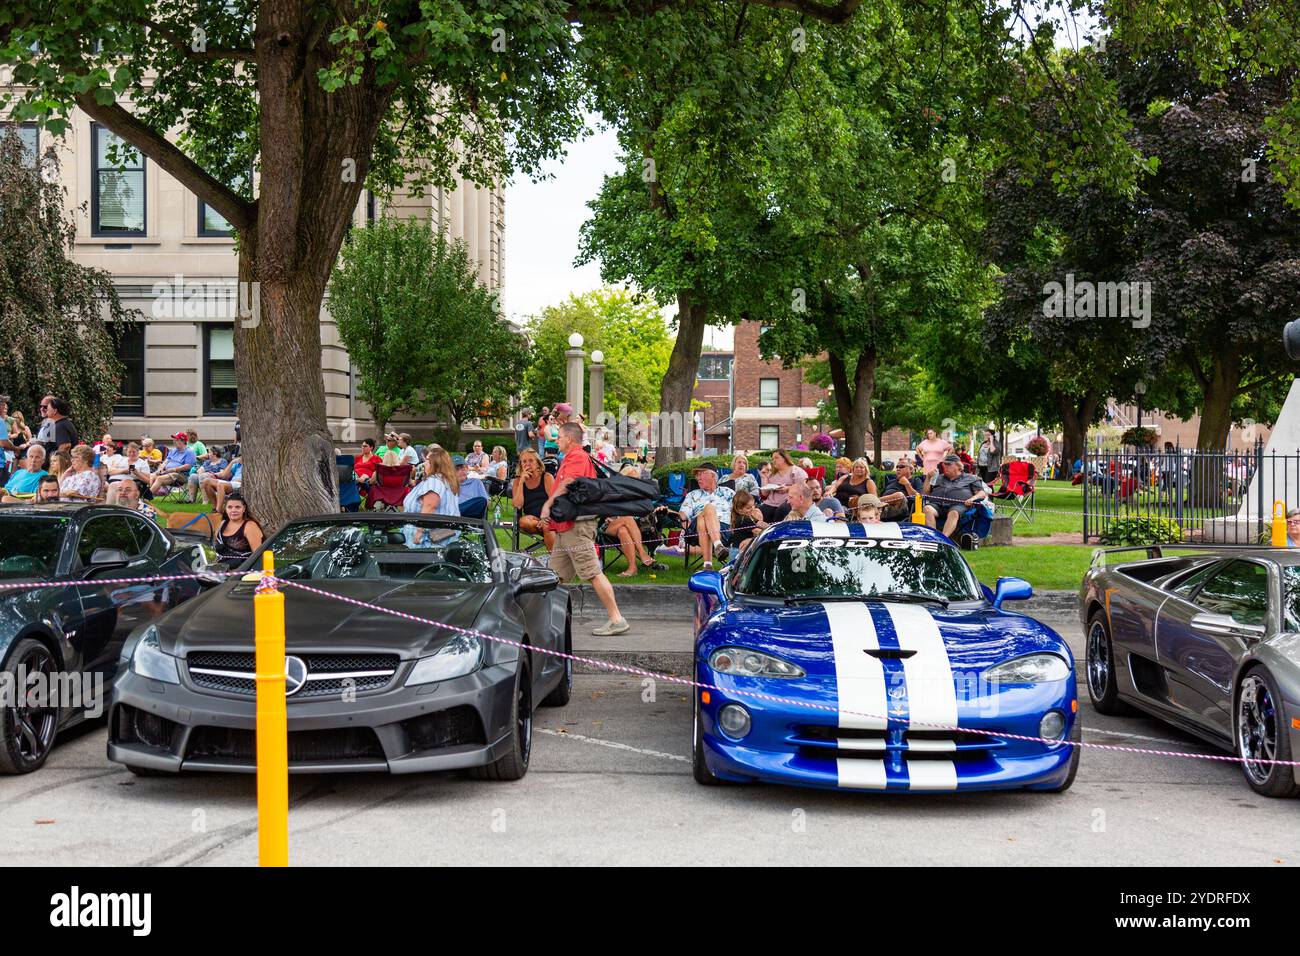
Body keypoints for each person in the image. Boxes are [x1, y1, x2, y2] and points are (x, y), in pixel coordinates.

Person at [539, 421, 628, 637]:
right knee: (555, 576)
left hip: (576, 527)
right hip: (567, 527)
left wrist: (547, 505)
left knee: (592, 572)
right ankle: (543, 621)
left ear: (569, 439)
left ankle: (616, 619)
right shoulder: (572, 457)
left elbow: (570, 481)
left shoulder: (578, 456)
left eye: (559, 437)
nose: (556, 440)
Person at [607, 466, 670, 577]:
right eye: (632, 479)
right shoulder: (614, 492)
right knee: (627, 519)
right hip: (609, 525)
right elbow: (603, 508)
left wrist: (658, 509)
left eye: (637, 479)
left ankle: (632, 568)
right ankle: (642, 553)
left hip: (632, 530)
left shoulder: (640, 495)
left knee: (623, 531)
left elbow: (650, 509)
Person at [678, 463, 734, 570]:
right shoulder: (692, 495)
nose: (698, 478)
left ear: (713, 476)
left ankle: (707, 565)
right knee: (708, 508)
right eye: (697, 475)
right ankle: (718, 545)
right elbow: (683, 515)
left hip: (724, 529)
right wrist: (673, 513)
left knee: (704, 520)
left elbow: (741, 510)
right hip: (696, 530)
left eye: (701, 474)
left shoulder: (728, 493)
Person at [924, 453, 989, 544]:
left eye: (948, 464)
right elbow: (926, 493)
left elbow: (982, 493)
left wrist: (973, 498)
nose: (945, 466)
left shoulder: (971, 478)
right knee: (927, 509)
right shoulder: (938, 478)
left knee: (954, 513)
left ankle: (942, 540)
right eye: (944, 464)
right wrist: (928, 478)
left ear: (958, 466)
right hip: (937, 505)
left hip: (959, 505)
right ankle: (933, 538)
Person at [513, 448, 556, 551]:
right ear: (521, 465)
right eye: (524, 461)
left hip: (550, 515)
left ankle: (556, 562)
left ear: (538, 463)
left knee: (546, 525)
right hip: (533, 520)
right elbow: (518, 505)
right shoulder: (517, 481)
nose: (527, 464)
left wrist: (545, 517)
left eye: (531, 461)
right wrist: (521, 482)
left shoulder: (547, 477)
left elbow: (554, 501)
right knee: (523, 522)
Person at [405, 447, 460, 516]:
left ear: (435, 463)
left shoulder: (434, 482)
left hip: (427, 526)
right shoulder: (446, 480)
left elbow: (427, 515)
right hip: (445, 525)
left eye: (427, 460)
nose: (424, 464)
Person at [757, 449, 807, 522]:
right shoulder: (772, 474)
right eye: (772, 459)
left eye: (776, 458)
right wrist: (763, 477)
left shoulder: (796, 471)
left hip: (788, 501)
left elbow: (803, 487)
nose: (773, 460)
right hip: (771, 503)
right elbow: (765, 494)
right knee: (760, 511)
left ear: (784, 458)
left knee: (781, 510)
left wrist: (788, 488)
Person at [215, 493, 264, 566]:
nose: (233, 510)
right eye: (230, 507)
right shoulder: (222, 524)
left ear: (244, 509)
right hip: (222, 566)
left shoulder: (250, 526)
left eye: (237, 507)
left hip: (243, 568)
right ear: (226, 509)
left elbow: (258, 556)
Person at [879, 458, 925, 522]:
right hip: (882, 508)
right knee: (866, 497)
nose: (898, 469)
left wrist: (907, 484)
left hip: (899, 510)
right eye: (897, 467)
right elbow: (882, 495)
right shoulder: (891, 482)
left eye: (901, 467)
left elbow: (918, 499)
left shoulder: (916, 481)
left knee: (899, 495)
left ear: (911, 469)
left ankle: (874, 503)